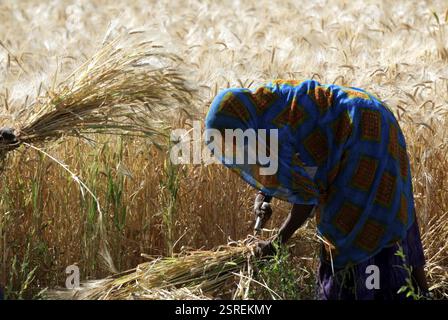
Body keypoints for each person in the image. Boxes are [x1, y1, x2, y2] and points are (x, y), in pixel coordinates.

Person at [204, 79, 429, 300]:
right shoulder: (267, 104)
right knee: (391, 206)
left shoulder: (277, 124)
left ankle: (367, 293)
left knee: (348, 227)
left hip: (363, 132)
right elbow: (279, 157)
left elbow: (308, 197)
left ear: (241, 123)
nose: (234, 143)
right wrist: (263, 196)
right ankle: (420, 291)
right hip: (376, 116)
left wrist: (276, 243)